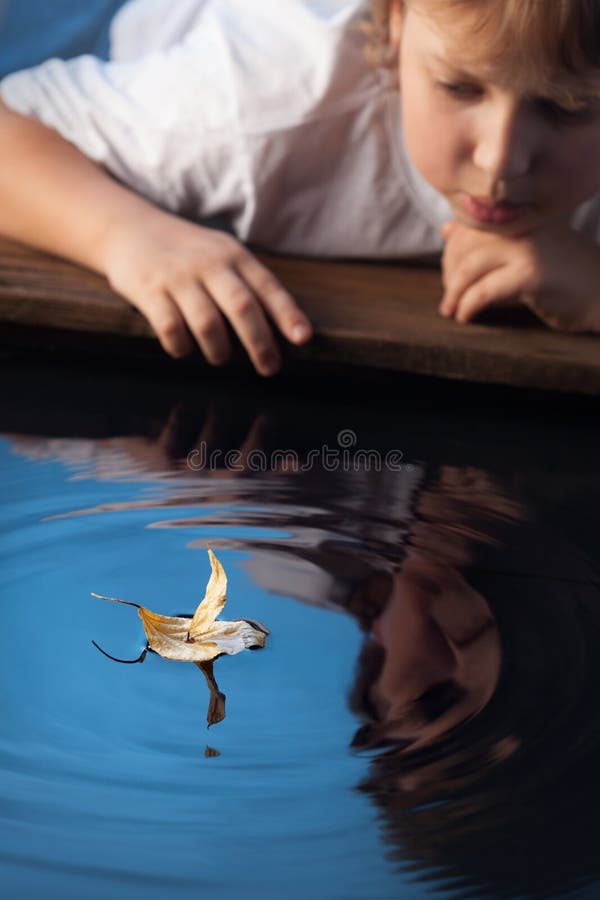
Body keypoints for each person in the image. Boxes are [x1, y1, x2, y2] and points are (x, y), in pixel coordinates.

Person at [1, 0, 600, 376]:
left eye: (570, 108)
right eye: (458, 87)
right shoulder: (249, 117)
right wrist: (125, 233)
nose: (501, 160)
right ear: (395, 24)